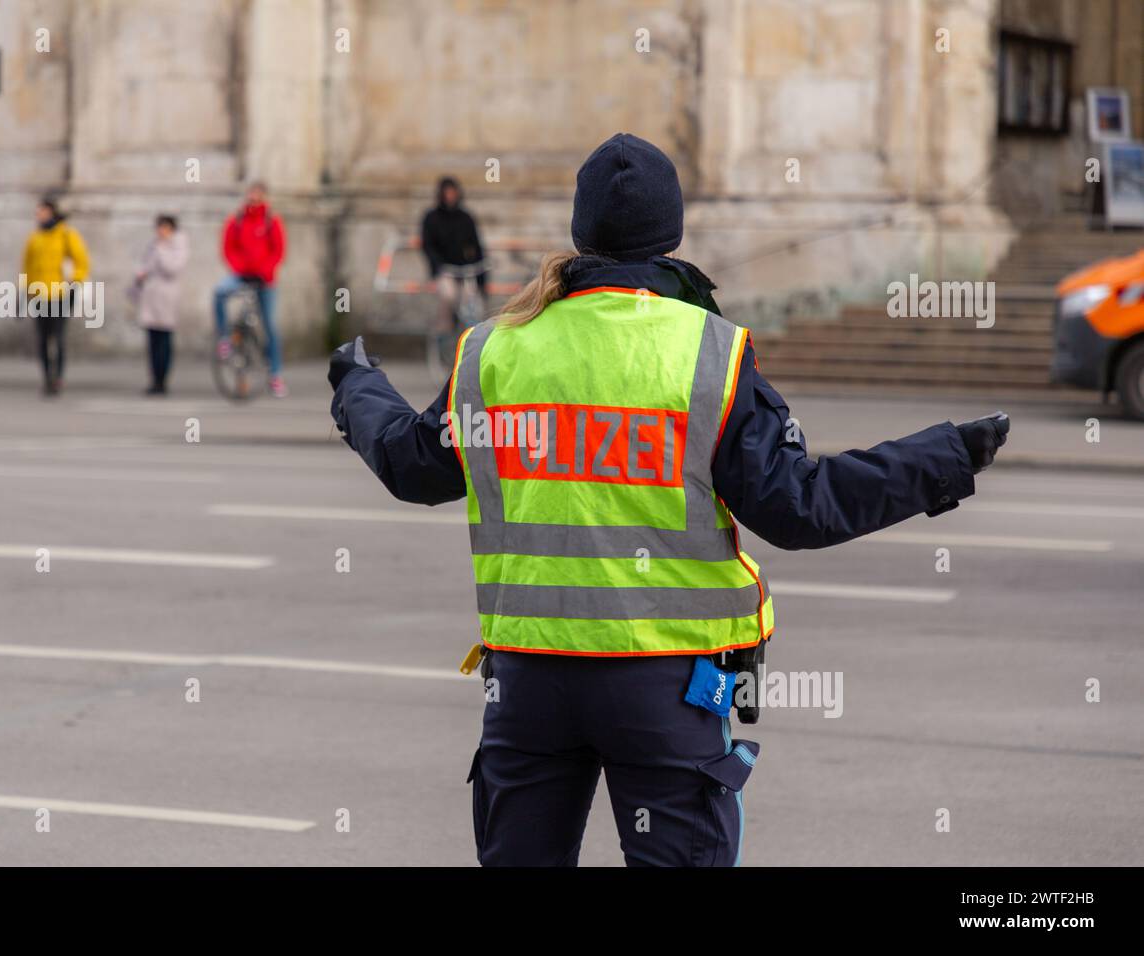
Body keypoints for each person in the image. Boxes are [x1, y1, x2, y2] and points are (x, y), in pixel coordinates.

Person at [328, 133, 1011, 867]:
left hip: (528, 687)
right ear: (671, 235)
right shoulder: (707, 353)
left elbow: (413, 465)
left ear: (580, 232)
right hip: (666, 686)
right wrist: (941, 458)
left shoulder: (495, 350)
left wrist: (356, 384)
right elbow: (799, 508)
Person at [214, 182, 287, 397]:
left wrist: (264, 271)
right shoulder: (236, 220)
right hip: (241, 276)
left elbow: (278, 250)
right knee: (219, 293)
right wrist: (240, 268)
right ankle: (225, 338)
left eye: (257, 197)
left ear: (264, 198)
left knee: (270, 327)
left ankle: (275, 375)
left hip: (265, 279)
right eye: (250, 196)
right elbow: (228, 248)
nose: (253, 200)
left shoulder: (271, 221)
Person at [21, 197, 89, 396]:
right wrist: (25, 290)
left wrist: (74, 281)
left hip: (60, 294)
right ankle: (46, 377)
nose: (38, 216)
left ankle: (57, 377)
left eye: (41, 212)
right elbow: (27, 266)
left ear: (51, 213)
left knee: (57, 338)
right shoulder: (35, 237)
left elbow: (81, 261)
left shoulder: (67, 234)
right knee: (42, 339)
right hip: (39, 295)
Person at [132, 215, 189, 395]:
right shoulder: (153, 244)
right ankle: (154, 379)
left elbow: (172, 268)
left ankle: (163, 380)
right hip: (151, 295)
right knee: (152, 339)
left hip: (166, 296)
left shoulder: (176, 245)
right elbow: (145, 265)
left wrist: (162, 249)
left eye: (164, 228)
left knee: (164, 339)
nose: (160, 232)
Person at [421, 176, 487, 330]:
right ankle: (444, 332)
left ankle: (469, 335)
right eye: (447, 193)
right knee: (448, 296)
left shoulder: (465, 218)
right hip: (444, 271)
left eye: (453, 193)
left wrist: (481, 276)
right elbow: (428, 246)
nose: (450, 196)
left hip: (464, 271)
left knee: (472, 300)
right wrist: (438, 267)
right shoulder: (432, 218)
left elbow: (476, 247)